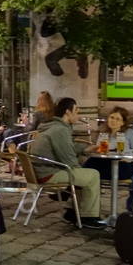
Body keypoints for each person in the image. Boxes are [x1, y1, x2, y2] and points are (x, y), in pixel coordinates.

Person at [28, 96, 102, 226]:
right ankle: (88, 217)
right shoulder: (60, 130)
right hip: (48, 173)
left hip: (40, 170)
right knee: (93, 176)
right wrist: (80, 165)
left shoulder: (52, 126)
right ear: (68, 112)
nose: (78, 115)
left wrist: (84, 150)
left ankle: (73, 212)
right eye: (77, 111)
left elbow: (67, 148)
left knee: (83, 175)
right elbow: (68, 159)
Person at [82, 106, 133, 211]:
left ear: (123, 122)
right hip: (107, 164)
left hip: (124, 166)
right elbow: (101, 152)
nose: (113, 121)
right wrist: (97, 150)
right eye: (112, 117)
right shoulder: (104, 134)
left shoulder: (129, 133)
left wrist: (123, 152)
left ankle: (72, 186)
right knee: (92, 162)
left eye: (117, 119)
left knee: (90, 165)